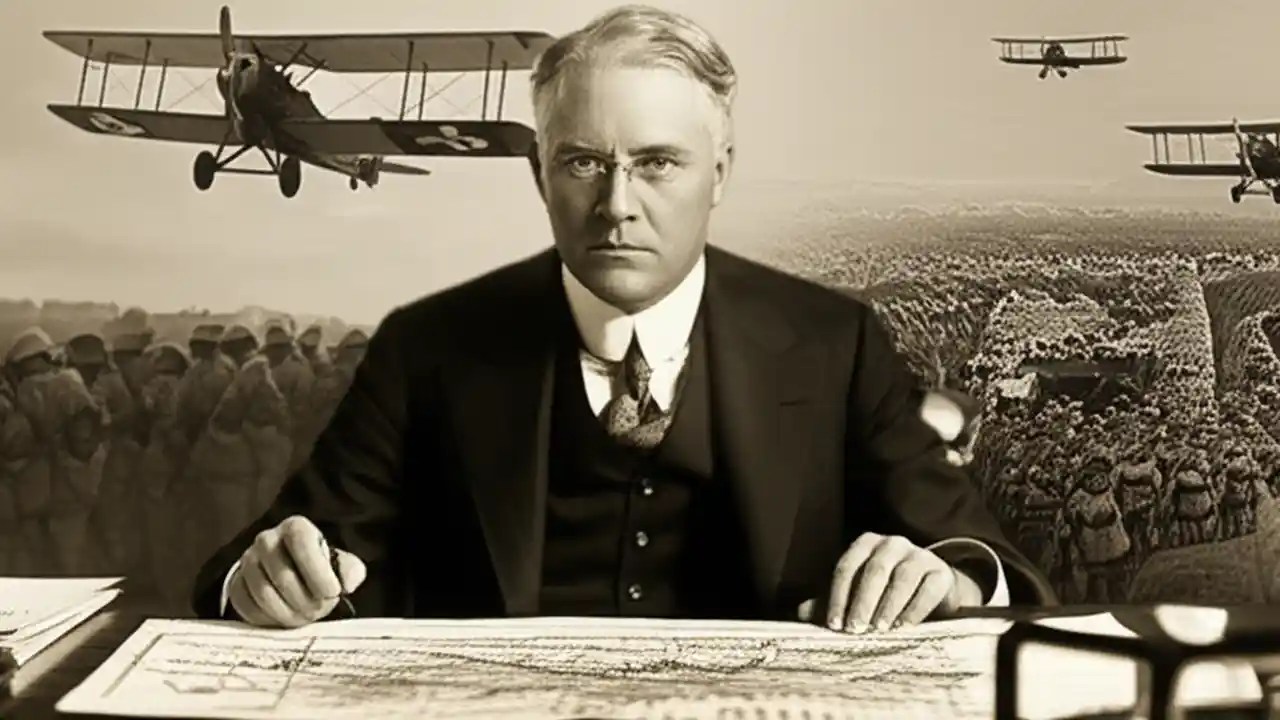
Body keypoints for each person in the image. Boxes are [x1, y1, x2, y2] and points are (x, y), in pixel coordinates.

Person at [191, 3, 1055, 632]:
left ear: (720, 174)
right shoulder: (429, 348)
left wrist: (950, 579)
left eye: (658, 164)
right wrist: (267, 577)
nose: (617, 205)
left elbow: (989, 562)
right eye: (582, 163)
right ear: (539, 176)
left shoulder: (835, 342)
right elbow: (269, 552)